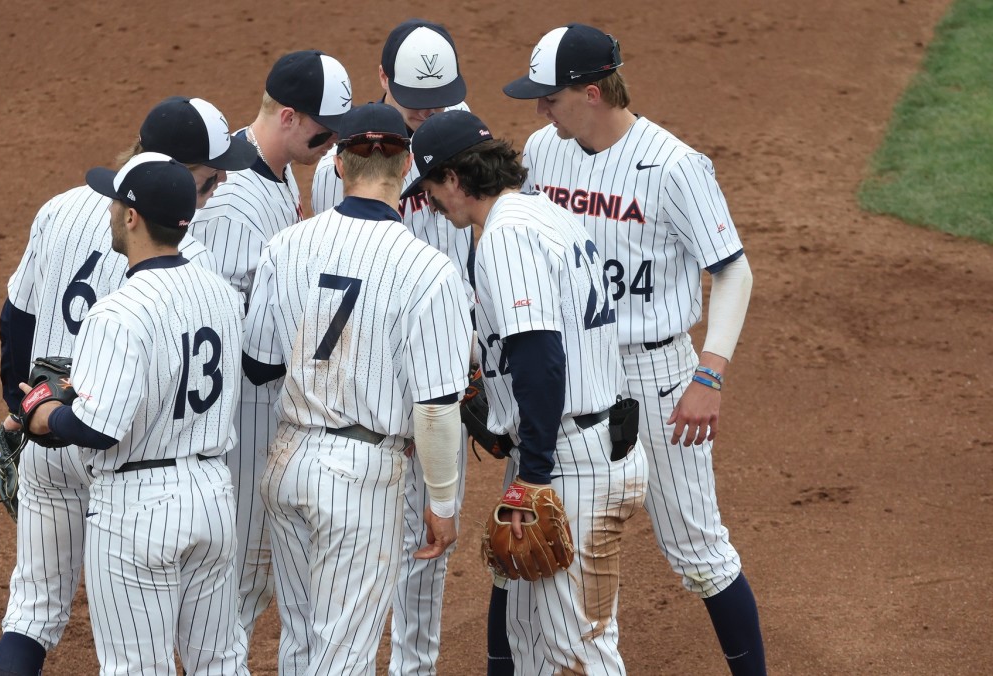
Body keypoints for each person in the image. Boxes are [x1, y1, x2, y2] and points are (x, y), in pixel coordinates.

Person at [503, 23, 765, 674]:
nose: (539, 111)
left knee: (697, 552)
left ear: (590, 93)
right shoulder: (543, 151)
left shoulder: (673, 166)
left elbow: (733, 269)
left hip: (659, 375)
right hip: (571, 371)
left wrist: (711, 373)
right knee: (530, 535)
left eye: (550, 97)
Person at [0, 98, 255, 676]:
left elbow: (17, 319)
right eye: (209, 178)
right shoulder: (204, 268)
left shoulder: (59, 210)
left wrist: (22, 407)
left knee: (33, 611)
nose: (218, 185)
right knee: (217, 657)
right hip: (178, 469)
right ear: (180, 182)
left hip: (77, 443)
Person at [409, 109, 649, 675]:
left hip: (569, 462)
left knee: (580, 651)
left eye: (431, 189)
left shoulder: (507, 237)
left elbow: (541, 356)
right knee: (532, 643)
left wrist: (533, 471)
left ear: (452, 180)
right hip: (594, 442)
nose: (434, 204)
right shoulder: (546, 214)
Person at [242, 103, 472, 674]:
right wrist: (442, 504)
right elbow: (438, 410)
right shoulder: (428, 269)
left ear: (340, 165)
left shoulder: (286, 246)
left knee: (299, 641)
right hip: (362, 479)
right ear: (407, 165)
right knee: (344, 653)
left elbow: (258, 366)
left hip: (288, 460)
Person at [308, 21, 473, 672]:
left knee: (426, 567)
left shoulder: (469, 151)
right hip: (363, 398)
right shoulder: (337, 170)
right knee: (349, 559)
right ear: (381, 80)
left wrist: (476, 364)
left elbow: (476, 268)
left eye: (438, 102)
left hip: (440, 389)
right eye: (414, 102)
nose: (428, 115)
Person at [187, 49, 351, 654]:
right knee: (239, 579)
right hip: (241, 412)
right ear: (287, 116)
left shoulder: (275, 172)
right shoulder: (233, 201)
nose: (332, 142)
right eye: (322, 130)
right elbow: (218, 317)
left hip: (265, 404)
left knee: (251, 580)